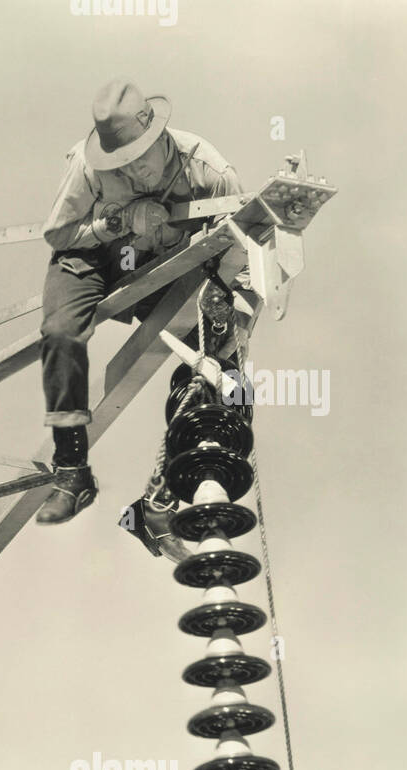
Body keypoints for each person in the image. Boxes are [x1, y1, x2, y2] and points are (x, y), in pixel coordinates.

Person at [34, 79, 244, 559]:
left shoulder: (208, 168)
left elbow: (240, 247)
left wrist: (227, 313)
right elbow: (59, 234)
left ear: (161, 139)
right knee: (60, 332)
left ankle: (160, 501)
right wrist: (118, 222)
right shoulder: (86, 167)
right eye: (120, 163)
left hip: (164, 270)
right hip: (95, 259)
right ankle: (71, 470)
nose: (131, 169)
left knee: (219, 365)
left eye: (138, 157)